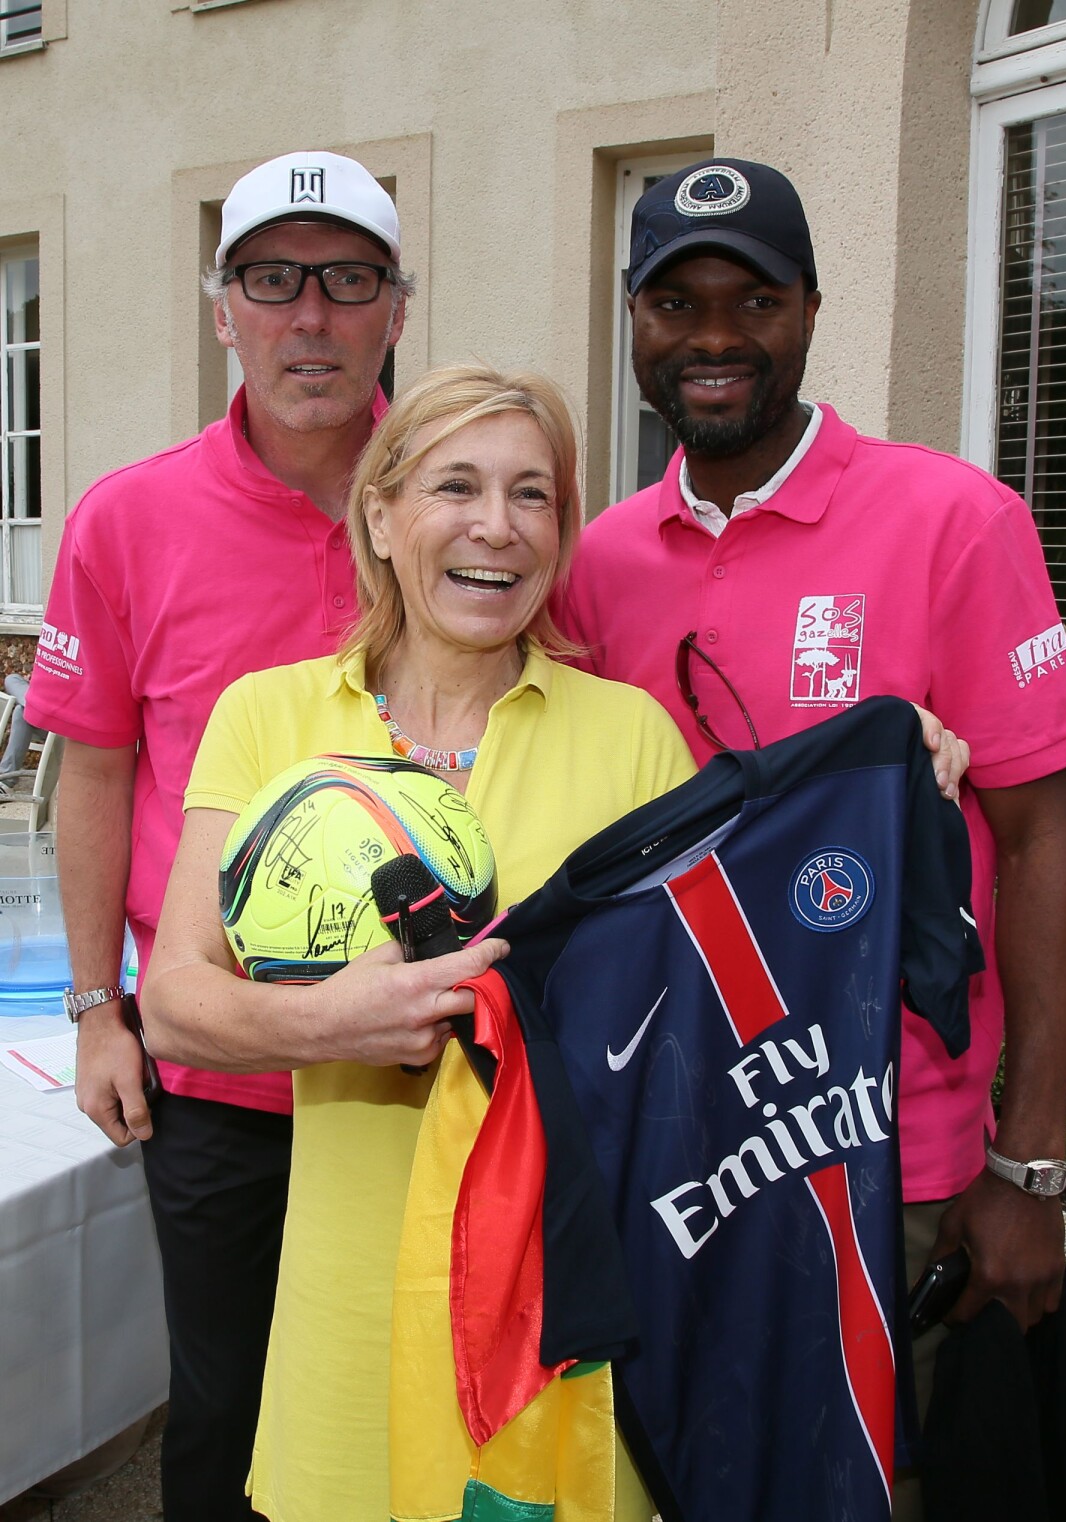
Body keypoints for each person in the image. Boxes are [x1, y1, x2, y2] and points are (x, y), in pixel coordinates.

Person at [557, 158, 1066, 1515]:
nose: (717, 335)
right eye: (676, 301)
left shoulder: (953, 519)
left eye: (757, 297)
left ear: (810, 309)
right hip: (677, 1169)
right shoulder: (594, 563)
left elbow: (1039, 843)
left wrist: (1026, 1166)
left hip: (893, 1163)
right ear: (631, 319)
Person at [140, 363, 697, 1522]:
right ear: (382, 517)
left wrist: (896, 749)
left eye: (533, 495)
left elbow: (704, 1015)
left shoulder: (633, 738)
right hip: (351, 1306)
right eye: (457, 485)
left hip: (554, 1319)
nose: (498, 526)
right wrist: (329, 1021)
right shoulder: (270, 717)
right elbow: (178, 1000)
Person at [23, 149, 411, 1521]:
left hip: (430, 1064)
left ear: (395, 314)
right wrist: (93, 1010)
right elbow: (95, 772)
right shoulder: (130, 518)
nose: (310, 316)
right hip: (222, 1075)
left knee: (415, 1399)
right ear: (222, 310)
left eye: (347, 280)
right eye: (272, 280)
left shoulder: (457, 508)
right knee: (229, 1414)